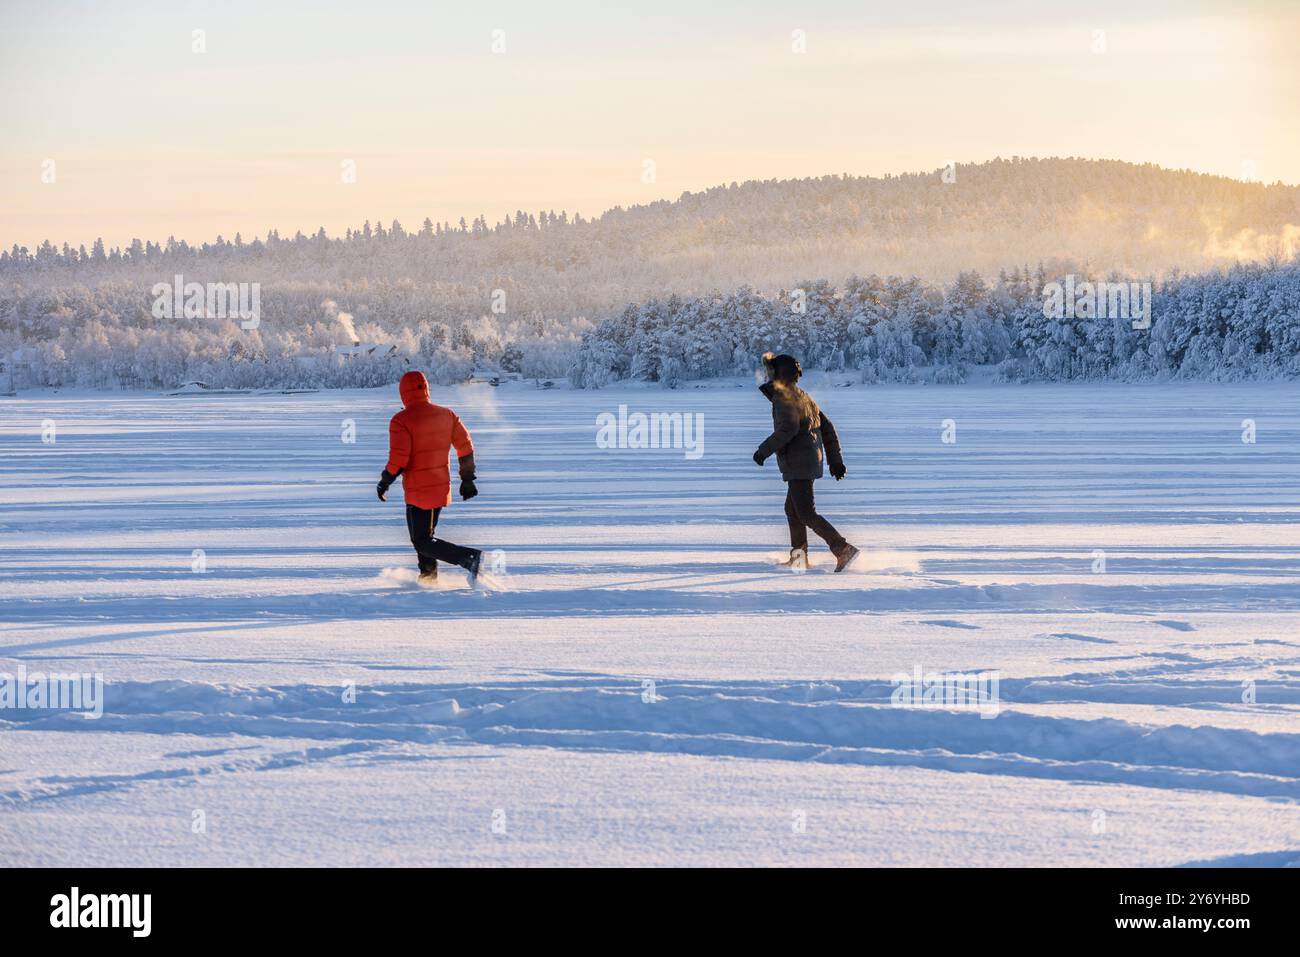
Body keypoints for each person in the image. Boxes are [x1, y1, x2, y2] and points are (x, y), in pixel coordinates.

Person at [753, 352, 859, 572]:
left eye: (771, 372)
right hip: (806, 461)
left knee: (806, 513)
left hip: (799, 462)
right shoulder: (802, 396)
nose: (767, 376)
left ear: (780, 375)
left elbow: (788, 429)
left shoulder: (785, 398)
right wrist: (835, 462)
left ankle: (842, 548)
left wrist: (763, 451)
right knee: (793, 511)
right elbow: (827, 427)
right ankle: (799, 559)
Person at [376, 370, 483, 581]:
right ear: (426, 389)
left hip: (418, 490)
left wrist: (385, 481)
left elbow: (400, 458)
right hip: (441, 486)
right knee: (427, 538)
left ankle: (468, 557)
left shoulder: (401, 420)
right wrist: (467, 478)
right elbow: (465, 446)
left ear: (403, 393)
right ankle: (428, 579)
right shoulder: (447, 414)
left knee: (422, 541)